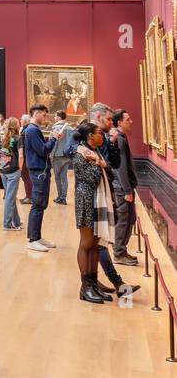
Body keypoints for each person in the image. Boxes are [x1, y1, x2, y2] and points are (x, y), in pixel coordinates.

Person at [73, 121, 116, 304]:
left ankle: (93, 283)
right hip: (86, 200)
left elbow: (109, 173)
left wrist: (99, 162)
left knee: (95, 243)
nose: (102, 136)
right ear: (90, 136)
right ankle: (85, 287)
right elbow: (92, 178)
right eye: (99, 133)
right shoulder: (81, 155)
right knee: (87, 242)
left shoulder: (94, 153)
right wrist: (98, 164)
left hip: (97, 200)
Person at [23, 105, 55, 252]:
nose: (45, 118)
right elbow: (43, 150)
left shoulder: (33, 130)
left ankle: (37, 236)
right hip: (38, 172)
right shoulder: (32, 130)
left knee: (41, 204)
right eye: (43, 115)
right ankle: (33, 239)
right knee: (37, 205)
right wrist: (53, 139)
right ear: (36, 114)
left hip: (40, 171)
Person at [110, 109, 139, 266]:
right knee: (124, 220)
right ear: (119, 122)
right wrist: (127, 190)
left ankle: (122, 250)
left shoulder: (120, 137)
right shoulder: (119, 139)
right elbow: (119, 167)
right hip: (122, 188)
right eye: (128, 119)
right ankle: (119, 253)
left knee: (129, 220)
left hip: (124, 187)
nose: (131, 121)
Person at [0, 114, 23, 231]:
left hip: (3, 169)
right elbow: (21, 156)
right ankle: (7, 224)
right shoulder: (18, 138)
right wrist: (21, 169)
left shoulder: (2, 137)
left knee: (10, 196)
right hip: (13, 170)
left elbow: (0, 154)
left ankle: (16, 221)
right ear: (16, 125)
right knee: (9, 198)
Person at [50, 110, 75, 205]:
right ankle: (64, 198)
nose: (54, 118)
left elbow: (54, 143)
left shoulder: (55, 128)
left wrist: (51, 154)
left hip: (57, 156)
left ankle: (60, 197)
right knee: (64, 177)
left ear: (59, 118)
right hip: (67, 156)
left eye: (55, 116)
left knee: (57, 177)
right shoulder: (71, 128)